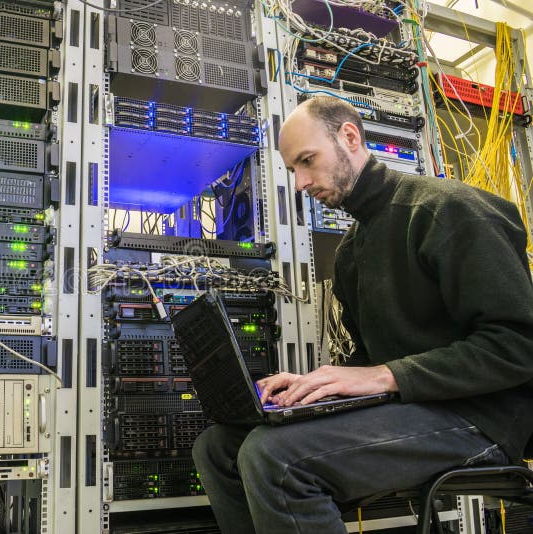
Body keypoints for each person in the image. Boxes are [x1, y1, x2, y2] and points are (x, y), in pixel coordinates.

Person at [192, 96, 533, 533]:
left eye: (307, 161)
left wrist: (382, 376)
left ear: (350, 137)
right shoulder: (352, 252)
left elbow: (519, 346)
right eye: (293, 169)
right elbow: (372, 364)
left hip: (482, 418)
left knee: (275, 457)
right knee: (218, 449)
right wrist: (317, 385)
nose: (299, 182)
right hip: (415, 404)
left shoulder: (447, 211)